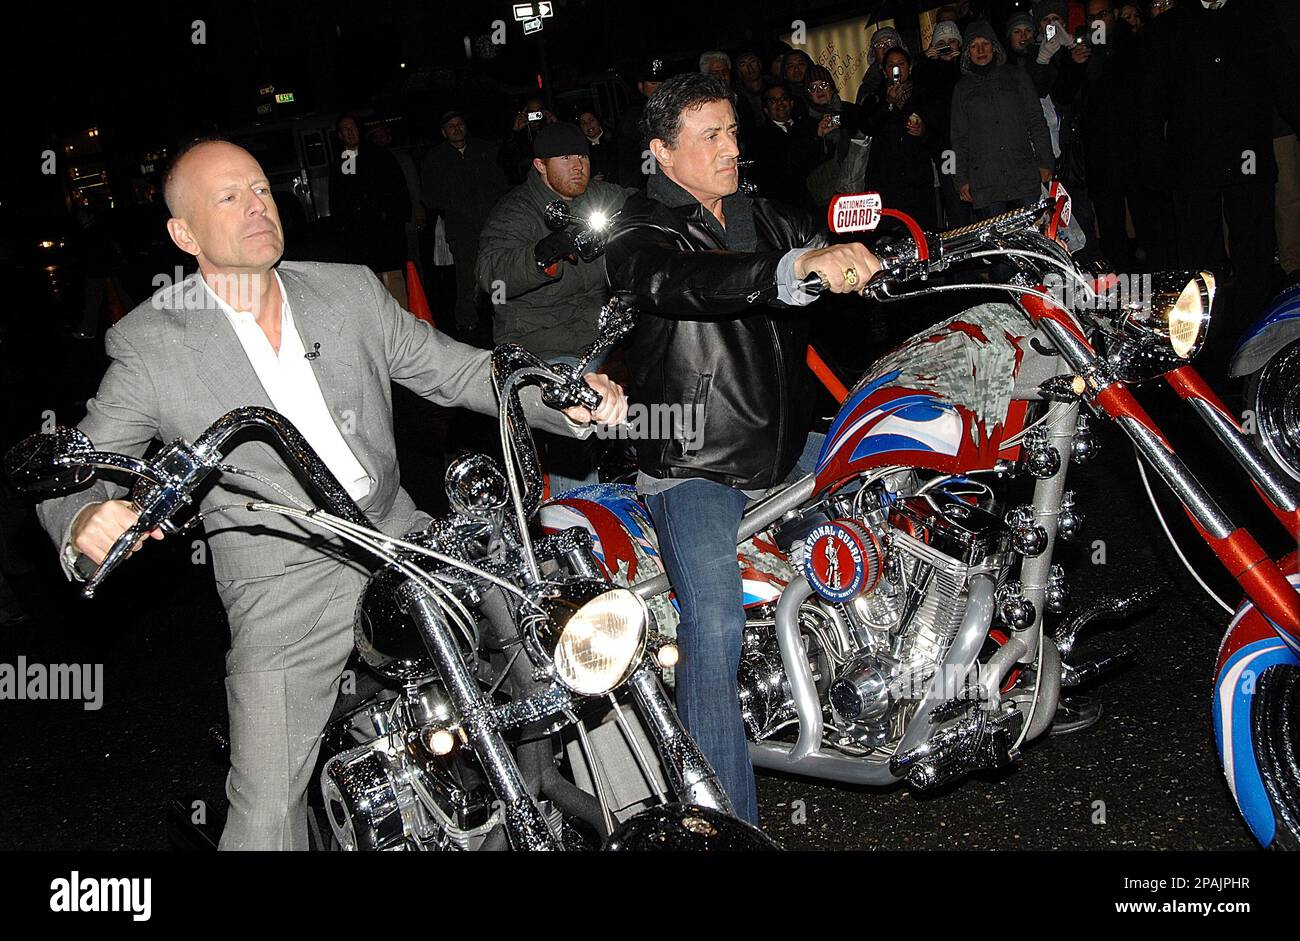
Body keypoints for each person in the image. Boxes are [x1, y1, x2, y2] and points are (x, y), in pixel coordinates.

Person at [35, 139, 626, 851]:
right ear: (184, 234)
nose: (257, 206)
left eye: (261, 188)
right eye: (229, 198)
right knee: (264, 808)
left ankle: (557, 800)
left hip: (399, 537)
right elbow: (78, 465)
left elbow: (457, 370)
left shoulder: (347, 291)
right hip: (282, 579)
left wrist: (561, 394)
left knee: (557, 649)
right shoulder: (154, 342)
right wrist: (85, 518)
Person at [604, 73, 882, 823]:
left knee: (903, 485)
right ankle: (724, 824)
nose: (731, 147)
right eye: (711, 136)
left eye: (732, 131)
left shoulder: (764, 214)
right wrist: (792, 270)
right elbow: (675, 281)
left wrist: (872, 255)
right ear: (663, 153)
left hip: (783, 444)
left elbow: (823, 245)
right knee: (715, 623)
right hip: (692, 454)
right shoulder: (640, 229)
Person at [477, 123, 633, 494]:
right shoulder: (517, 210)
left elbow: (644, 204)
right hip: (541, 339)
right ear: (540, 165)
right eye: (564, 158)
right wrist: (544, 253)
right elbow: (490, 276)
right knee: (576, 407)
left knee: (669, 372)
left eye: (582, 156)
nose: (577, 165)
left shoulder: (598, 196)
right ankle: (575, 509)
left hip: (599, 332)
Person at [1140, 0, 1300, 335]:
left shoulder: (1256, 17)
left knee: (1253, 247)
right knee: (1199, 253)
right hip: (1193, 159)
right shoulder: (1172, 25)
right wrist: (1155, 160)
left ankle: (1254, 330)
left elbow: (1285, 79)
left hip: (1247, 152)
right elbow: (1151, 97)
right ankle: (1204, 333)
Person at [950, 21, 1055, 219]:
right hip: (986, 179)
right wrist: (960, 179)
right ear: (967, 52)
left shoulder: (1016, 76)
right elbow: (959, 137)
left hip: (1023, 171)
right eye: (974, 46)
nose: (981, 50)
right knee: (995, 236)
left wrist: (1045, 161)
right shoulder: (962, 89)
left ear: (994, 46)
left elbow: (1036, 121)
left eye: (985, 43)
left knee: (1036, 230)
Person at [421, 111, 509, 341]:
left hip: (490, 224)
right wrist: (454, 203)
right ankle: (467, 321)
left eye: (460, 124)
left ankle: (501, 314)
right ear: (444, 132)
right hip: (461, 228)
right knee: (467, 276)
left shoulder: (484, 150)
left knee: (496, 272)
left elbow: (502, 182)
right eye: (451, 126)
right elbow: (429, 195)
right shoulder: (436, 158)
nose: (456, 129)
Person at [328, 114, 411, 302]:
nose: (350, 133)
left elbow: (397, 189)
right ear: (340, 135)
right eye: (345, 130)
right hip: (360, 236)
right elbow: (342, 198)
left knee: (393, 279)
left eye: (353, 128)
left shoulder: (379, 155)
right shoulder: (344, 161)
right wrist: (344, 227)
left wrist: (395, 218)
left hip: (386, 230)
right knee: (370, 282)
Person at [860, 47, 942, 230]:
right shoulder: (874, 98)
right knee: (890, 234)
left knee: (921, 233)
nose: (896, 69)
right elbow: (868, 127)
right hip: (886, 182)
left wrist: (923, 132)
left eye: (901, 64)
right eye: (891, 66)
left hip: (918, 182)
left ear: (910, 68)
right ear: (884, 71)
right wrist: (888, 104)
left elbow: (938, 138)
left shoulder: (924, 96)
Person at [751, 83, 819, 209]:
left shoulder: (809, 126)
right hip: (782, 205)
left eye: (783, 98)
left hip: (816, 197)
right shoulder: (759, 138)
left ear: (791, 103)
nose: (780, 103)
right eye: (773, 101)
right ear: (766, 109)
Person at [616, 57, 671, 190]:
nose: (659, 88)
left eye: (662, 83)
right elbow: (627, 157)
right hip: (643, 184)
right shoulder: (632, 116)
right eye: (653, 83)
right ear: (641, 87)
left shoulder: (676, 110)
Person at [578, 110, 620, 184]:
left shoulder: (616, 140)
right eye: (583, 123)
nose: (588, 125)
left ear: (598, 121)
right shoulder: (580, 149)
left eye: (591, 120)